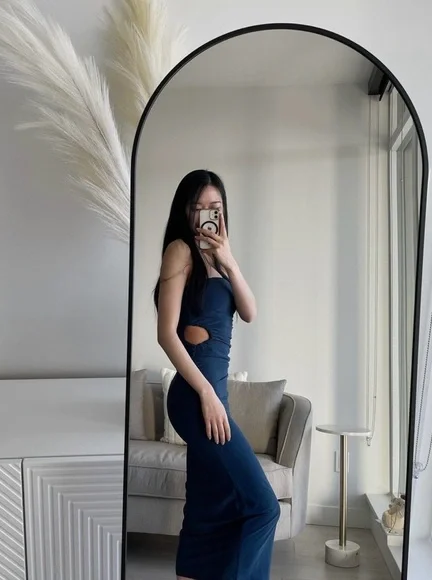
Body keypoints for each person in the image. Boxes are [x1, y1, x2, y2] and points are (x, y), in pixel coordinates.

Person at [153, 169, 280, 579]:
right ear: (186, 210)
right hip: (195, 396)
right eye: (199, 207)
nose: (207, 214)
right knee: (264, 506)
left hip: (215, 393)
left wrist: (229, 260)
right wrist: (206, 394)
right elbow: (166, 335)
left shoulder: (219, 256)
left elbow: (250, 311)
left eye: (216, 207)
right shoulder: (180, 250)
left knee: (209, 498)